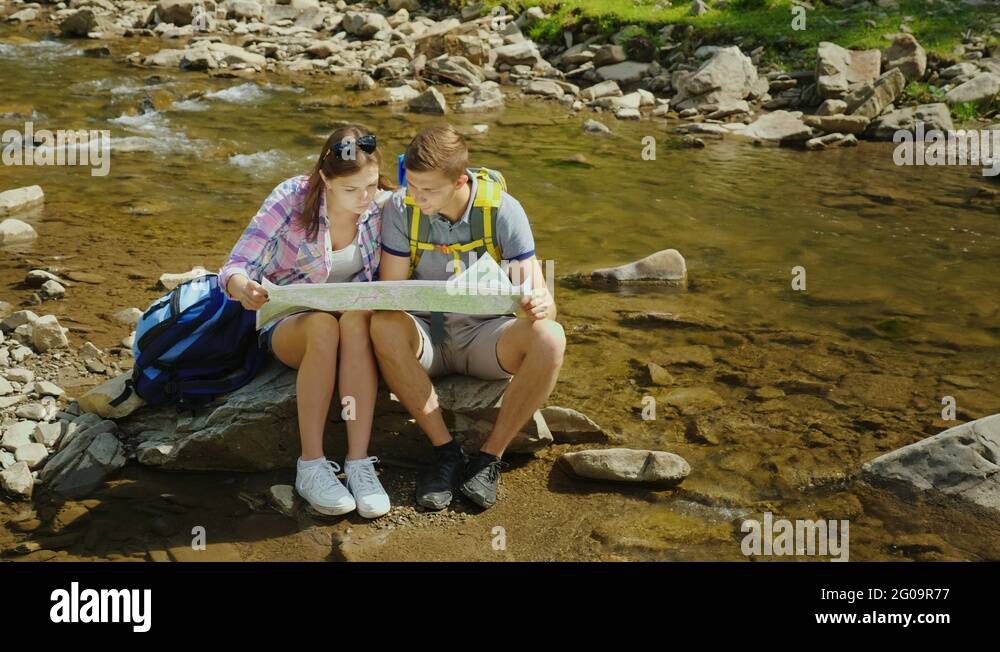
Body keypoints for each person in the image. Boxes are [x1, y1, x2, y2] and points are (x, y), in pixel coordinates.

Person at [370, 124, 566, 511]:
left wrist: (541, 305)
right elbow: (390, 295)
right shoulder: (400, 208)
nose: (415, 196)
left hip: (486, 336)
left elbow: (541, 297)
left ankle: (488, 458)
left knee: (551, 336)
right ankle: (446, 453)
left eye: (428, 190)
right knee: (383, 323)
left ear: (460, 180)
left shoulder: (502, 211)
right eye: (412, 185)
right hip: (429, 332)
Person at [218, 125, 396, 518]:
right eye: (352, 191)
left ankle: (359, 463)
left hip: (354, 324)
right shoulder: (291, 198)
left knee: (351, 322)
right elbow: (235, 265)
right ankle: (311, 466)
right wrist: (242, 285)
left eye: (370, 186)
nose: (365, 199)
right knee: (323, 326)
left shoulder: (387, 204)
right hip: (292, 324)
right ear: (325, 179)